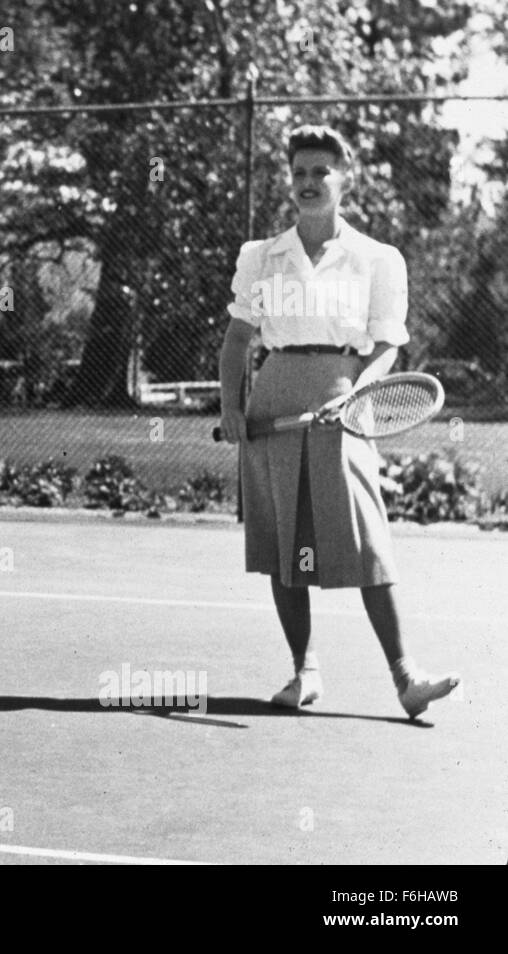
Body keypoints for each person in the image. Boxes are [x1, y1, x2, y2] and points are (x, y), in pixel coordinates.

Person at [217, 125, 459, 720]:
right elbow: (238, 339)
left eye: (319, 172)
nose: (307, 183)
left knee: (367, 537)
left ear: (343, 178)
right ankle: (303, 673)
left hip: (346, 401)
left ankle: (406, 678)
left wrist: (355, 393)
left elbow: (386, 344)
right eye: (298, 173)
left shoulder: (379, 259)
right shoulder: (260, 257)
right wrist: (232, 405)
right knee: (284, 543)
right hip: (274, 398)